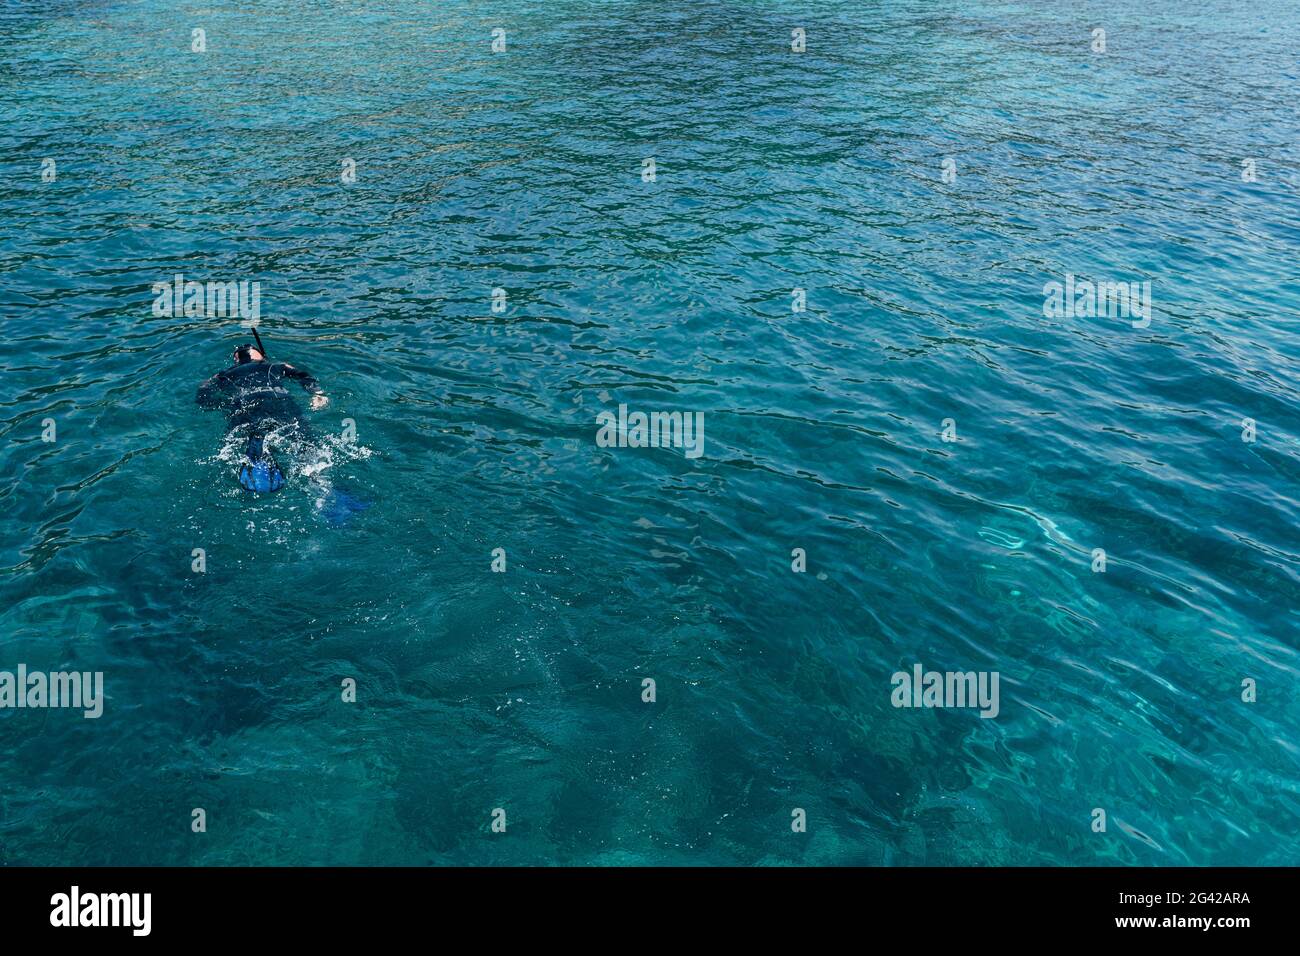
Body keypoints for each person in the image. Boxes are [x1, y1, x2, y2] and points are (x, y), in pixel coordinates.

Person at [197, 344, 328, 492]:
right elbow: (303, 375)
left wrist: (221, 405)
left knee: (249, 435)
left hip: (244, 406)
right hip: (278, 402)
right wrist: (318, 393)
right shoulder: (276, 365)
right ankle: (319, 481)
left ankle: (259, 451)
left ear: (236, 358)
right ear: (260, 354)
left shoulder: (223, 374)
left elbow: (204, 392)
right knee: (304, 442)